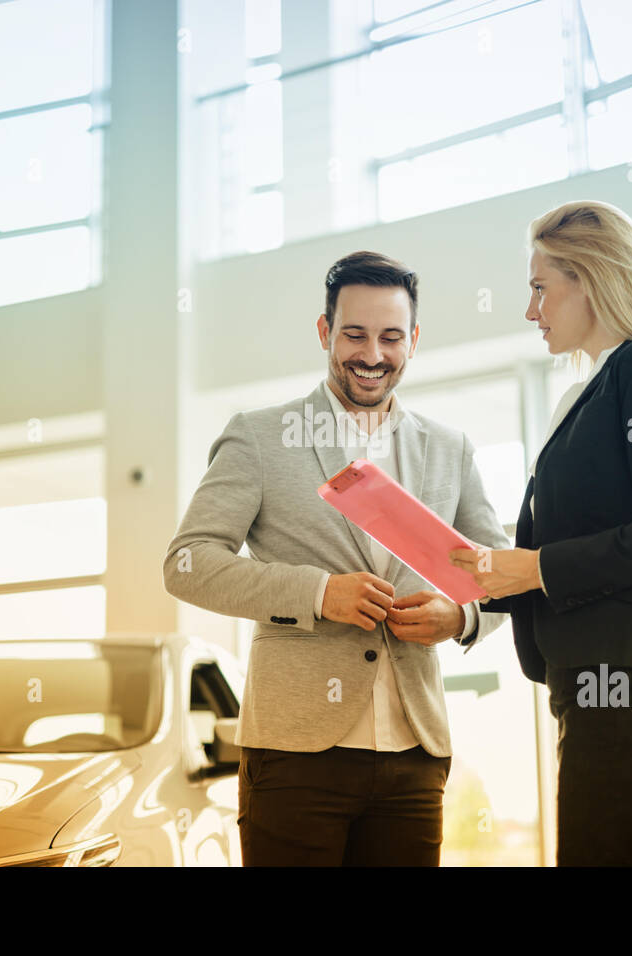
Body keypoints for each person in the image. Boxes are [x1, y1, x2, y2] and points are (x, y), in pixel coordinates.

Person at [163, 250, 511, 866]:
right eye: (354, 334)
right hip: (295, 756)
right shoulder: (260, 437)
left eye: (390, 337)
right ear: (325, 331)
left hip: (413, 755)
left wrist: (458, 619)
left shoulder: (449, 450)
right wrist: (319, 593)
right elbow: (188, 562)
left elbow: (497, 575)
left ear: (414, 340)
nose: (372, 355)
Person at [450, 200, 632, 866]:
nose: (530, 310)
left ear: (592, 279)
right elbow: (570, 557)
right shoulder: (589, 394)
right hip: (601, 685)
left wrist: (536, 566)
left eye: (540, 288)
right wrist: (469, 596)